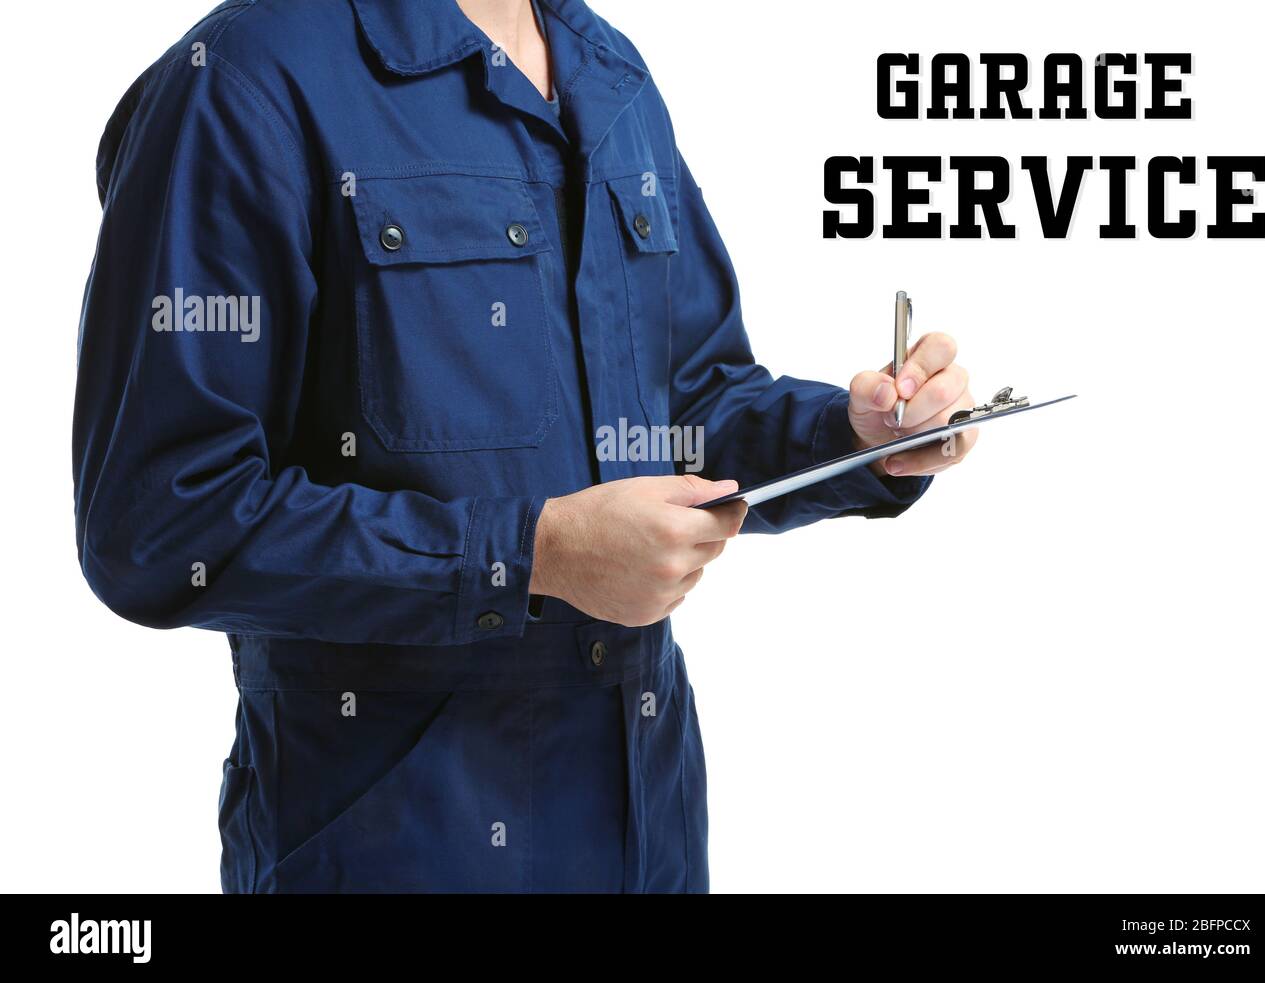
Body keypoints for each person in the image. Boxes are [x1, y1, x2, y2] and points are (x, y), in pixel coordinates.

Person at [73, 0, 977, 893]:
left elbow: (688, 401)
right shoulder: (244, 79)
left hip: (647, 832)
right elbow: (160, 521)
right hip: (398, 851)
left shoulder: (608, 73)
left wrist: (857, 436)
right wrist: (530, 556)